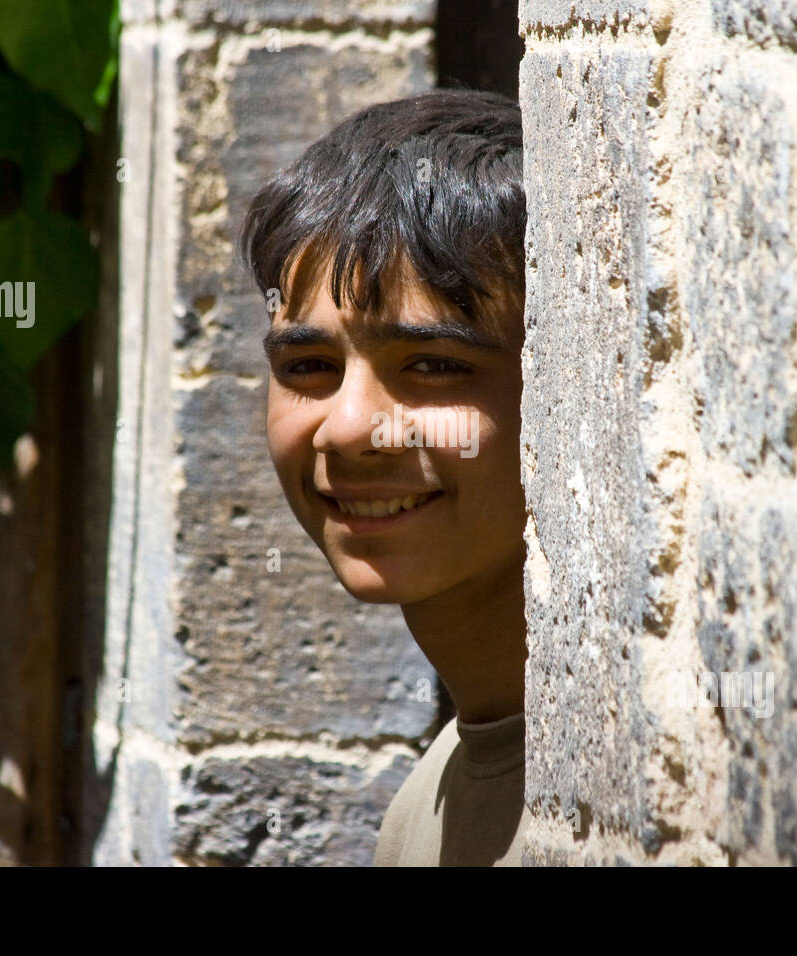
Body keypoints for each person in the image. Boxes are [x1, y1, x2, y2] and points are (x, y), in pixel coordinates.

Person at [240, 89, 531, 866]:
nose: (347, 428)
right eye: (308, 367)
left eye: (434, 365)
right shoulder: (422, 811)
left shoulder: (659, 800)